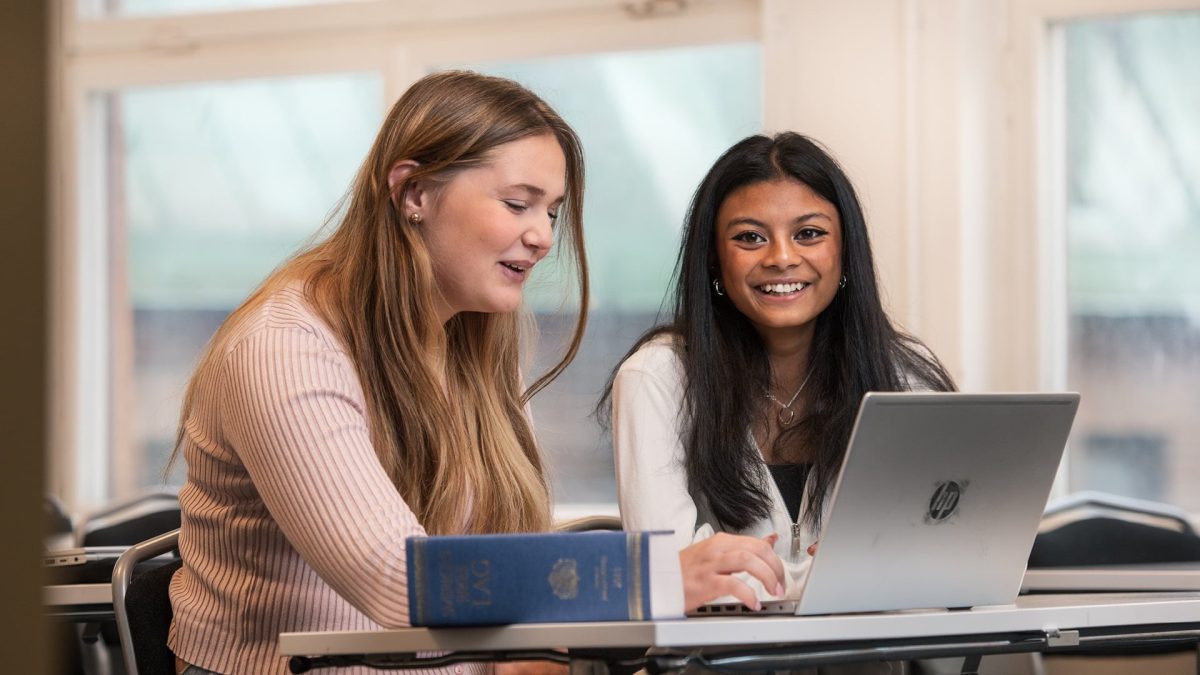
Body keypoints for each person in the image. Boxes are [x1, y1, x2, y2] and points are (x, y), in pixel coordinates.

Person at [165, 70, 591, 675]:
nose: (543, 236)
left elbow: (504, 548)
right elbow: (401, 584)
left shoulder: (473, 341)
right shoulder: (282, 348)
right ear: (413, 192)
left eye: (552, 211)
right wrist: (636, 583)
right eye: (519, 204)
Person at [605, 132, 956, 614]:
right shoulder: (657, 376)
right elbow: (672, 580)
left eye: (809, 233)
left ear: (846, 250)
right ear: (714, 258)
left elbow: (950, 564)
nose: (781, 258)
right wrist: (845, 576)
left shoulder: (905, 376)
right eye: (749, 237)